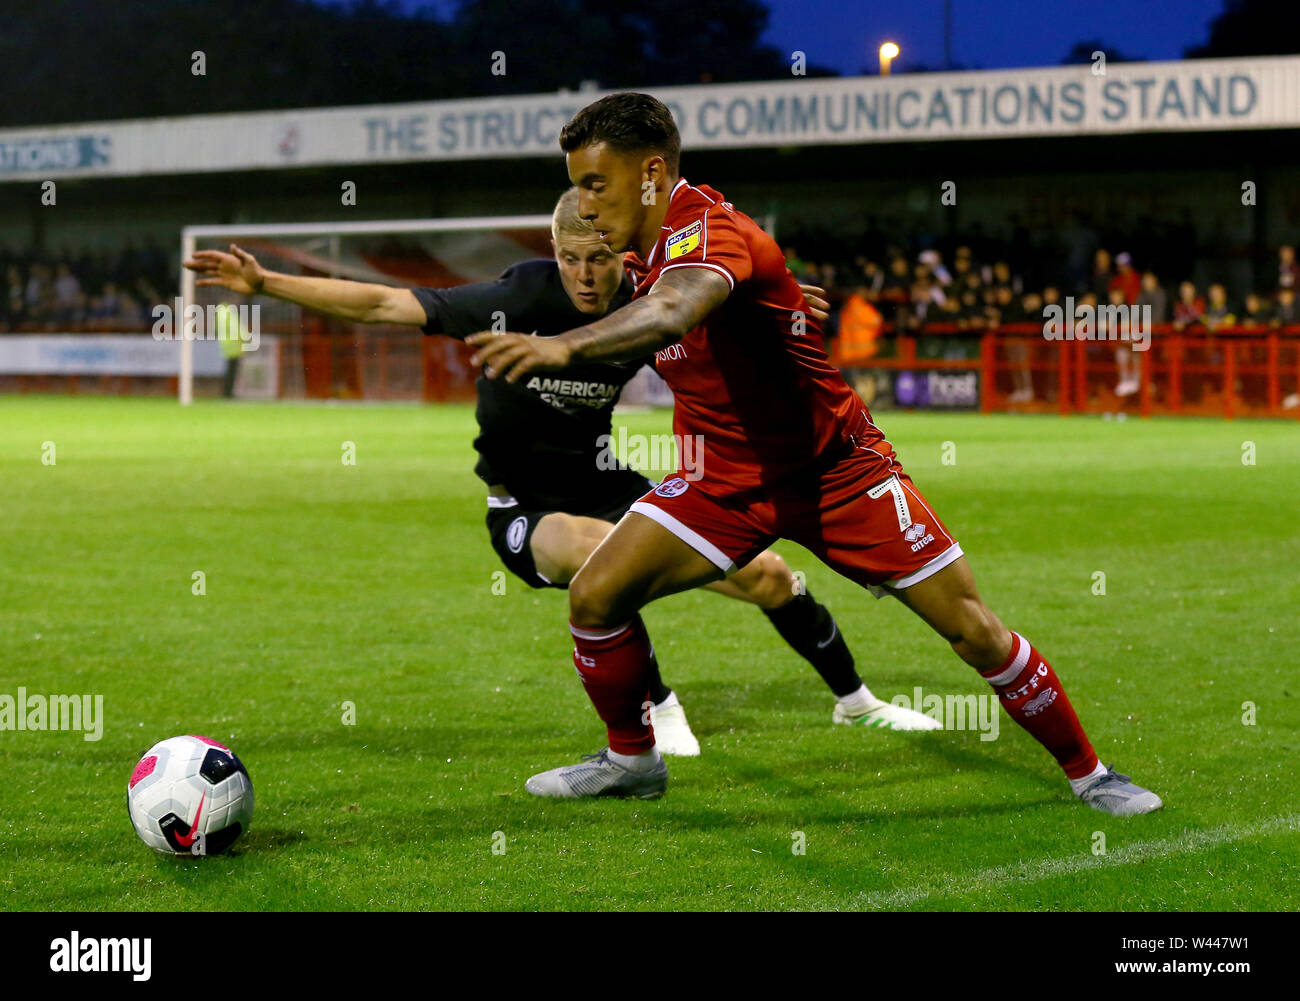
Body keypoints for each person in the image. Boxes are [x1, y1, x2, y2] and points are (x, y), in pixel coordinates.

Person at [469, 93, 1161, 815]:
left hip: (835, 471)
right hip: (722, 481)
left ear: (650, 173)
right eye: (578, 185)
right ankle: (631, 759)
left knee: (971, 628)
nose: (582, 203)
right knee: (596, 593)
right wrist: (785, 301)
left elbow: (675, 308)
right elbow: (717, 304)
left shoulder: (709, 230)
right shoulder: (639, 252)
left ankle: (1091, 772)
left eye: (593, 184)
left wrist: (562, 346)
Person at [184, 190, 939, 756]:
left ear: (620, 251)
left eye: (599, 259)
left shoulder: (649, 304)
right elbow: (385, 301)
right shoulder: (518, 298)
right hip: (525, 510)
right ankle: (656, 705)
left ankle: (857, 699)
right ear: (554, 249)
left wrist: (771, 304)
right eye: (571, 258)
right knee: (593, 555)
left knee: (770, 575)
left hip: (609, 482)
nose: (585, 275)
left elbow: (729, 312)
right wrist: (268, 284)